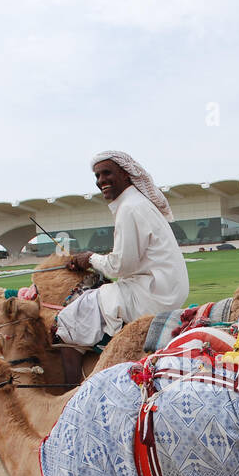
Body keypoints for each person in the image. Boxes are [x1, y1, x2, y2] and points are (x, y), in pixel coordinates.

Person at [53, 151, 189, 359]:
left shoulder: (130, 208)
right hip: (163, 290)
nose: (101, 181)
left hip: (152, 295)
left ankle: (74, 390)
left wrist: (89, 258)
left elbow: (120, 267)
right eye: (97, 176)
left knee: (69, 318)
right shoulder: (136, 203)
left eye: (107, 173)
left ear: (126, 174)